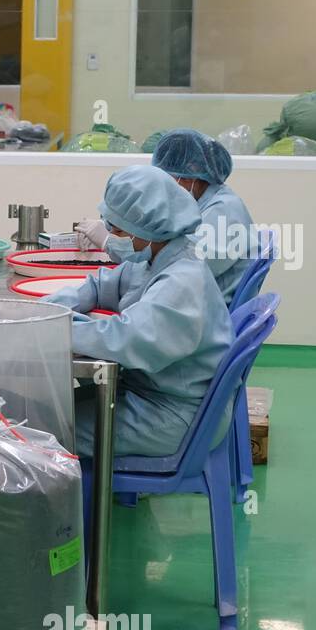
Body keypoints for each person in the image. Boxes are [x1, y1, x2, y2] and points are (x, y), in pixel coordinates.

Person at [45, 164, 233, 458]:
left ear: (149, 227)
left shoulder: (182, 280)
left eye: (117, 229)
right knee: (48, 409)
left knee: (45, 428)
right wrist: (45, 309)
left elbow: (127, 339)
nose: (110, 235)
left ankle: (80, 502)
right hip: (148, 393)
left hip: (174, 415)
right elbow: (100, 286)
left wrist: (55, 329)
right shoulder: (156, 256)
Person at [151, 128, 255, 303]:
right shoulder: (203, 204)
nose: (165, 188)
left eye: (169, 179)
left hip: (206, 312)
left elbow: (186, 267)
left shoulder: (225, 210)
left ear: (192, 174)